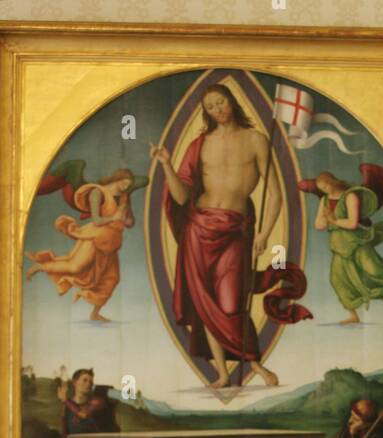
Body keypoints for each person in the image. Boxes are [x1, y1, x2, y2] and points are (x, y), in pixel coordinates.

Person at [152, 83, 309, 389]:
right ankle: (224, 373)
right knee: (206, 306)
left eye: (220, 103)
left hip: (235, 231)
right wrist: (167, 165)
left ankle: (254, 365)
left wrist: (264, 233)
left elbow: (275, 193)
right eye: (210, 107)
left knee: (230, 303)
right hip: (199, 230)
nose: (217, 110)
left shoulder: (256, 140)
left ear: (232, 102)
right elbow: (182, 197)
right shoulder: (199, 144)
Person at [26, 168, 139, 322]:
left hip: (112, 242)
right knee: (75, 267)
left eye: (129, 184)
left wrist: (127, 220)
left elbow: (130, 221)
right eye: (124, 183)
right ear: (117, 179)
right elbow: (97, 220)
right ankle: (41, 266)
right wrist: (114, 217)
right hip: (96, 237)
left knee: (112, 279)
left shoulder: (125, 197)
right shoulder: (98, 193)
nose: (126, 187)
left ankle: (95, 313)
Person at [313, 171, 383, 324]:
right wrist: (324, 220)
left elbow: (352, 223)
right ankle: (353, 315)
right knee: (337, 280)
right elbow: (318, 225)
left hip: (356, 242)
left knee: (375, 270)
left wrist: (334, 220)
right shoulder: (324, 201)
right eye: (322, 188)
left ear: (332, 181)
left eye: (326, 186)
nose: (325, 190)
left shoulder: (350, 197)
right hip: (338, 245)